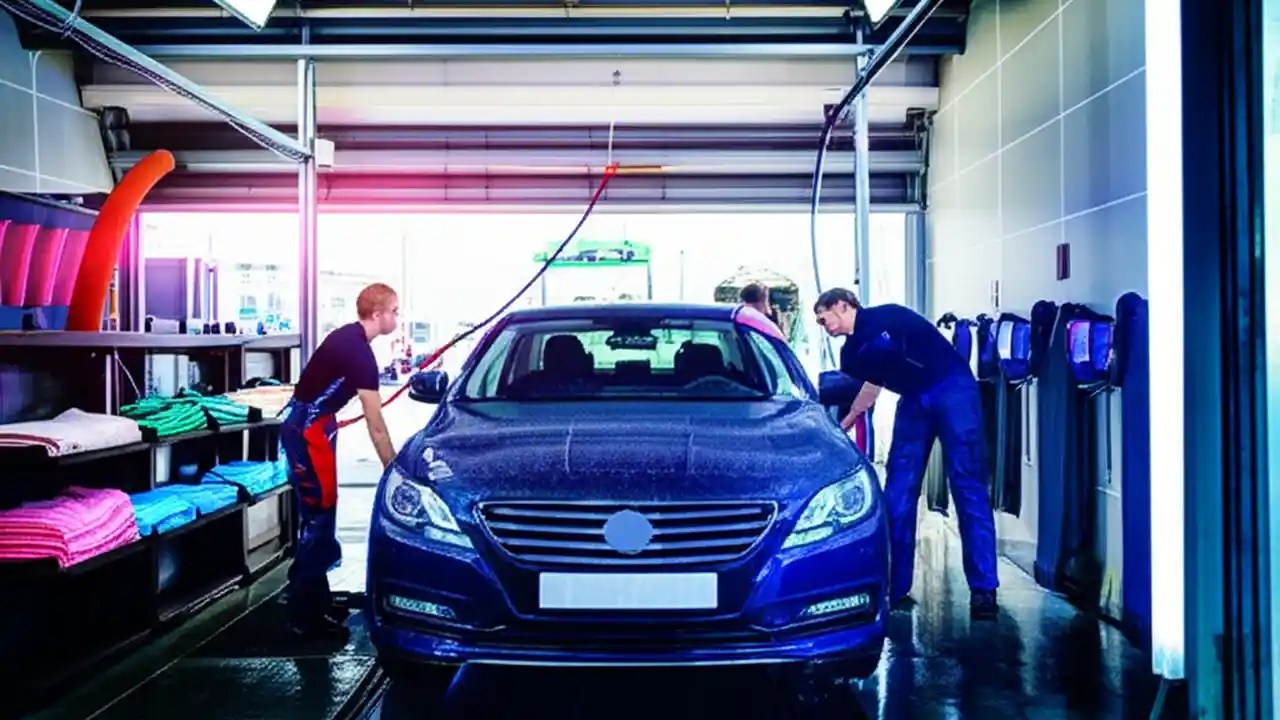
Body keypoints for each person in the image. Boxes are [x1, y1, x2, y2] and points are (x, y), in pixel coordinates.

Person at [813, 287, 999, 619]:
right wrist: (848, 420)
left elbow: (915, 346)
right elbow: (872, 385)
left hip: (951, 385)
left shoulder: (891, 315)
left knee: (967, 485)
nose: (823, 326)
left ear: (842, 305)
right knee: (898, 492)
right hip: (914, 399)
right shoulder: (851, 355)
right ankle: (895, 586)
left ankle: (984, 589)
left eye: (824, 317)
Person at [281, 282, 399, 638]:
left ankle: (315, 599)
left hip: (311, 427)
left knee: (322, 514)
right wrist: (396, 470)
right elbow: (376, 426)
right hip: (309, 433)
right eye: (395, 310)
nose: (398, 317)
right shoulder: (360, 355)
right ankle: (304, 617)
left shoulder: (348, 338)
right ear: (377, 314)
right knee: (318, 518)